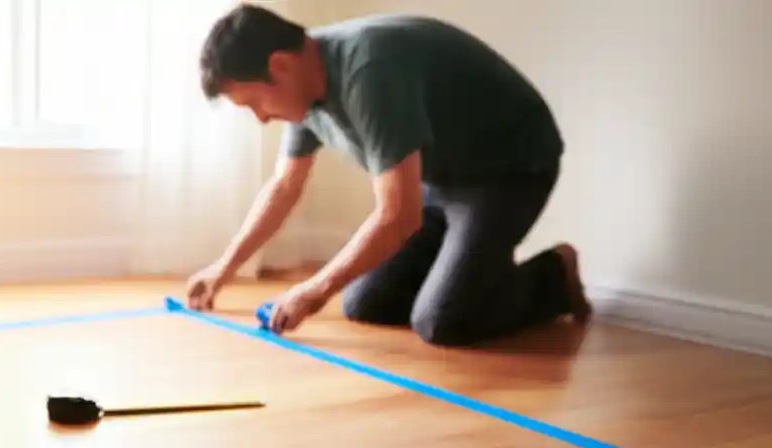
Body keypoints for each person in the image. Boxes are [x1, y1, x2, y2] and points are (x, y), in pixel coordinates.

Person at [186, 4, 592, 345]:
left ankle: (553, 274)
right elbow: (283, 187)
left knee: (442, 321)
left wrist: (313, 288)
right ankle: (472, 272)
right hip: (441, 179)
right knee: (366, 303)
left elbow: (398, 215)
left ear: (280, 65)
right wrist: (223, 269)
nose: (260, 119)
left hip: (510, 168)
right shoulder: (303, 90)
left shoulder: (370, 70)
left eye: (255, 102)